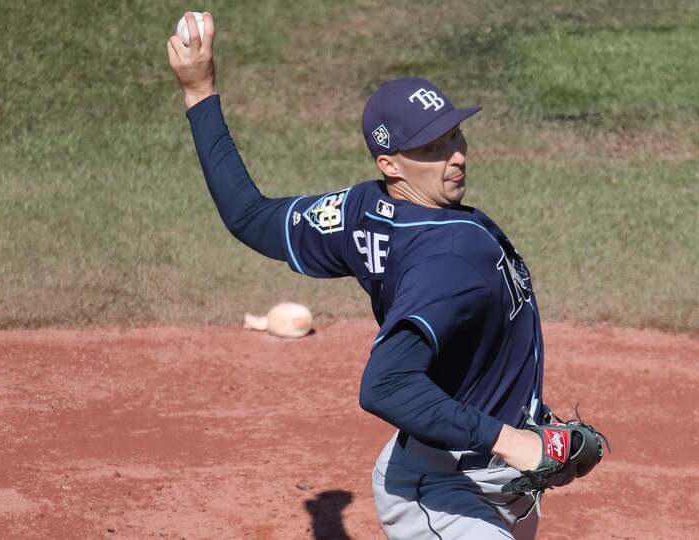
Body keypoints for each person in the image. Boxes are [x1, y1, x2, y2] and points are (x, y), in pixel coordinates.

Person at [168, 12, 548, 539]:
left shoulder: (363, 211)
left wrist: (199, 92)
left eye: (456, 135)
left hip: (493, 477)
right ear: (390, 163)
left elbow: (249, 216)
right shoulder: (447, 261)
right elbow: (385, 384)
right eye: (432, 148)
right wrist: (511, 440)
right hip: (443, 488)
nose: (456, 155)